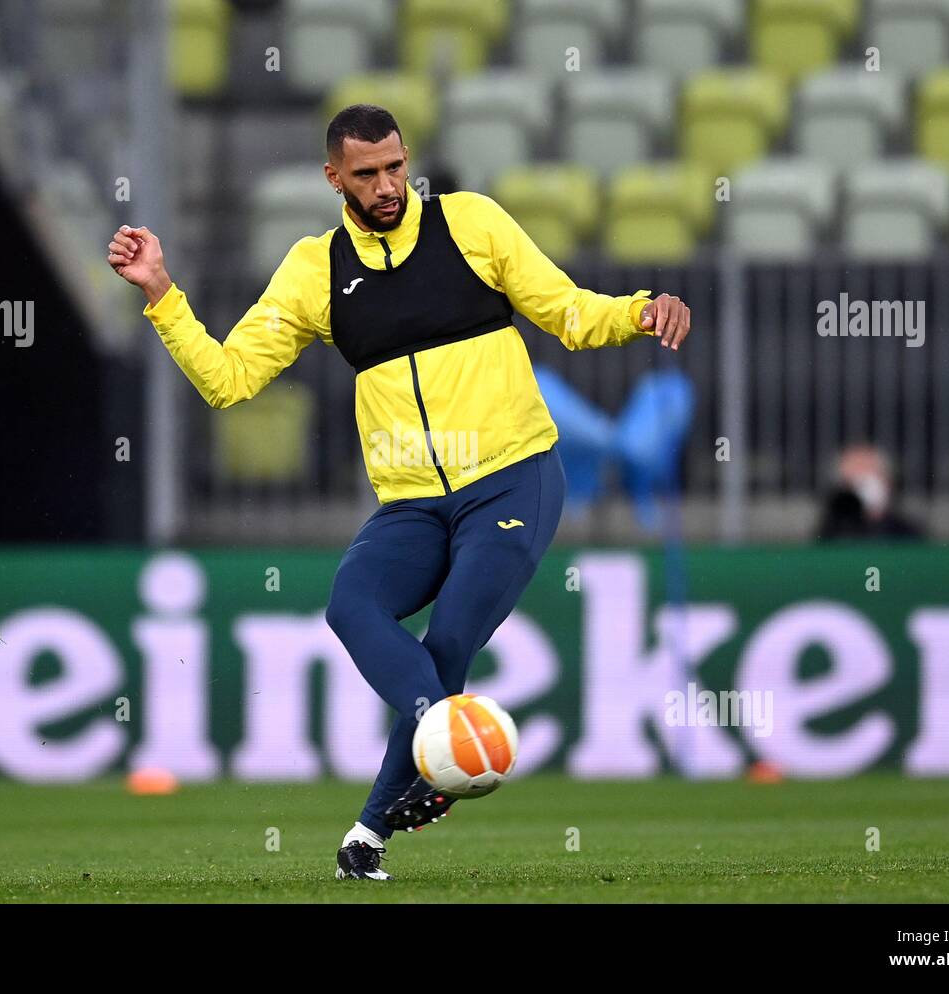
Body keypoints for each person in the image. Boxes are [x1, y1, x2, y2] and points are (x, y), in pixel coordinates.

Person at [108, 104, 691, 880]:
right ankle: (449, 745)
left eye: (394, 166)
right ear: (333, 178)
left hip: (512, 476)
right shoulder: (315, 270)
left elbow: (569, 313)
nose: (387, 185)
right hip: (413, 504)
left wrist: (638, 311)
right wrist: (162, 294)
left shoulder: (472, 224)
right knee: (351, 605)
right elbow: (228, 380)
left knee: (449, 640)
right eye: (366, 174)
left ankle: (369, 835)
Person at [818, 444, 924, 541]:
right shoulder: (826, 536)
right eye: (851, 482)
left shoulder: (909, 535)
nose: (861, 488)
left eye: (867, 479)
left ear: (888, 483)